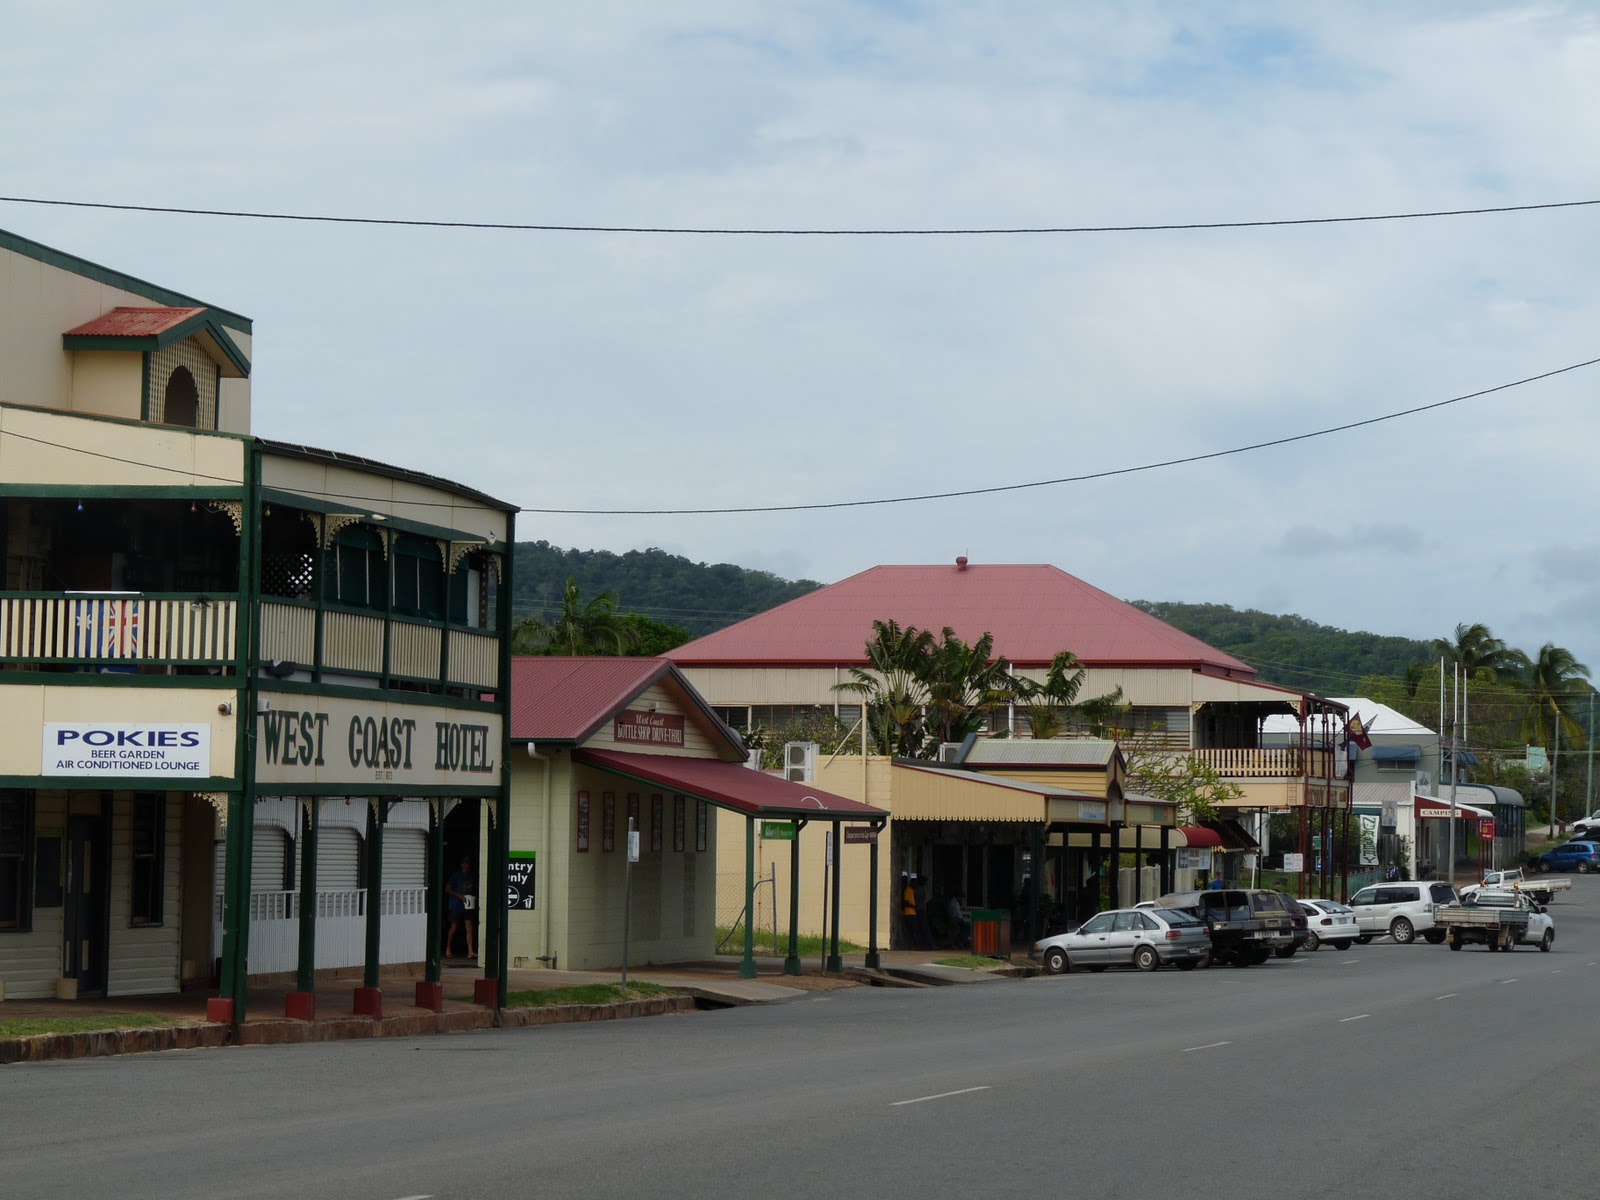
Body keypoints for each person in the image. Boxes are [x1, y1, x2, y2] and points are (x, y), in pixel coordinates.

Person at [445, 855, 478, 960]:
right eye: (465, 863)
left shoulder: (472, 876)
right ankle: (448, 948)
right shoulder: (456, 876)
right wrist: (459, 896)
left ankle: (470, 951)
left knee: (469, 927)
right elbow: (448, 889)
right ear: (462, 864)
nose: (467, 865)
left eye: (468, 863)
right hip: (457, 905)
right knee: (454, 926)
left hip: (468, 905)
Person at [900, 873, 919, 950]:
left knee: (913, 931)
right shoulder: (908, 890)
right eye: (915, 883)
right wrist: (914, 906)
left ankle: (912, 946)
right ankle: (912, 946)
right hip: (909, 913)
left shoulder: (912, 891)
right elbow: (906, 902)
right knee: (912, 931)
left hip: (913, 913)